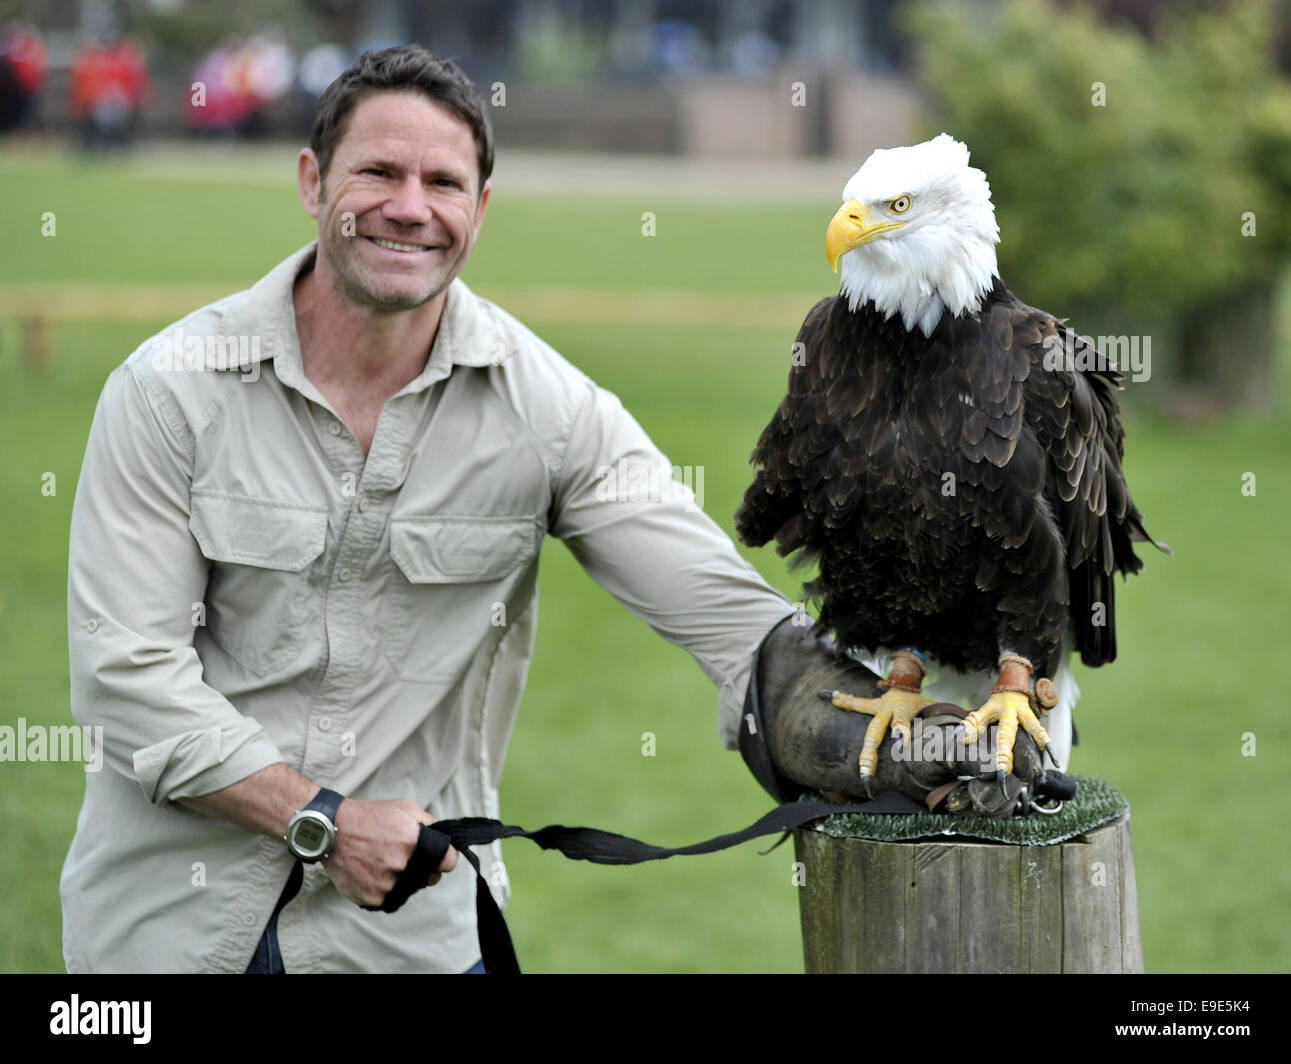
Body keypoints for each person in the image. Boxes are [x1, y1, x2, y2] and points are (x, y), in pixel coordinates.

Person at [60, 44, 794, 974]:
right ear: (311, 180)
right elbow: (128, 682)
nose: (410, 206)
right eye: (378, 171)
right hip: (172, 932)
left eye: (443, 181)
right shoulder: (169, 392)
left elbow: (727, 611)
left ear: (480, 211)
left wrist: (888, 708)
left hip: (409, 943)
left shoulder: (549, 409)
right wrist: (321, 820)